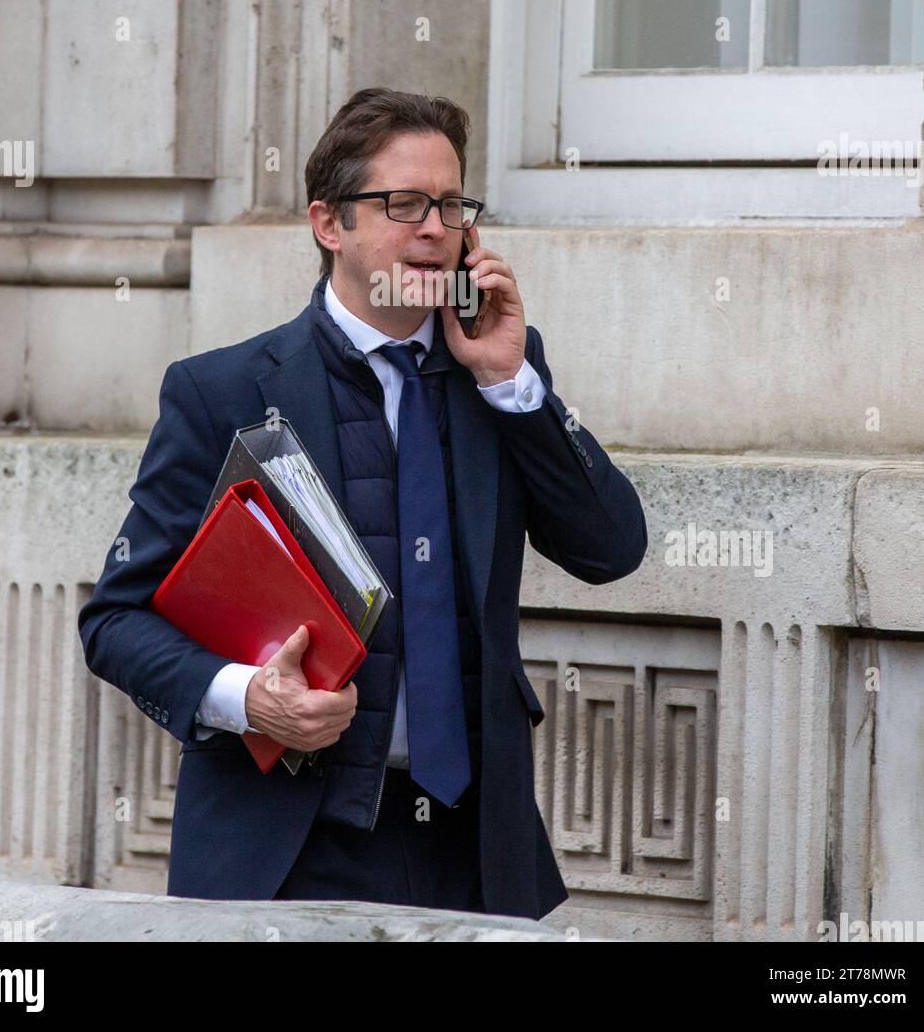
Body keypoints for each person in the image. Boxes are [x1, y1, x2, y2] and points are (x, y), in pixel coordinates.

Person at [77, 86, 648, 920]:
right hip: (289, 847)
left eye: (451, 205)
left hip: (474, 846)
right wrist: (246, 698)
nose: (433, 228)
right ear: (328, 224)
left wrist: (509, 381)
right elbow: (115, 622)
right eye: (403, 203)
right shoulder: (222, 391)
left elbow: (610, 549)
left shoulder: (500, 375)